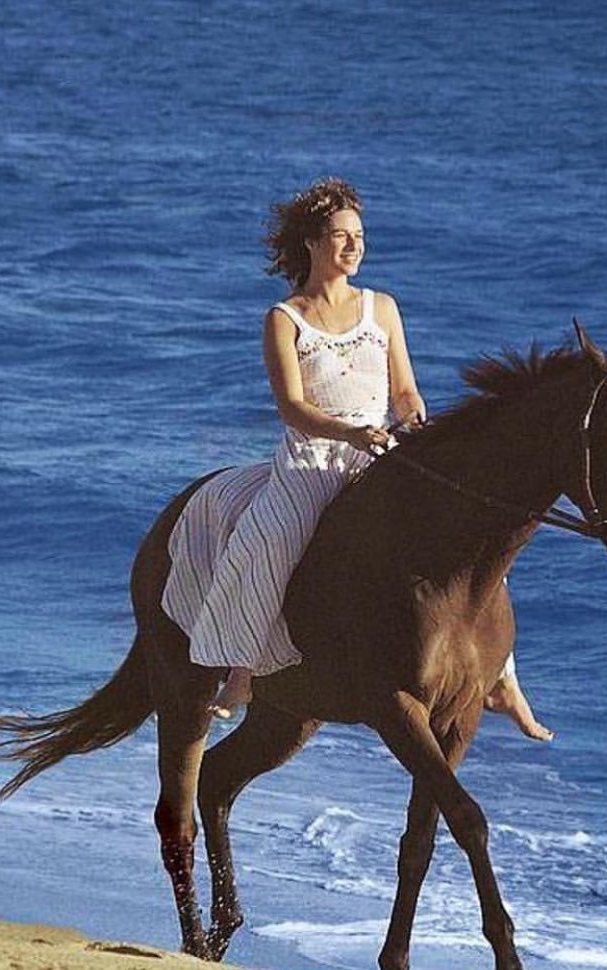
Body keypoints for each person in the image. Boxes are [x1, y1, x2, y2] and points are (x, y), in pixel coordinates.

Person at [160, 177, 551, 740]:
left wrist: (413, 420)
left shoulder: (382, 308)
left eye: (359, 236)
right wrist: (349, 432)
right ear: (312, 245)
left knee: (471, 543)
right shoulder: (284, 318)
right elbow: (293, 408)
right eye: (341, 236)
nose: (354, 246)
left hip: (383, 452)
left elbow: (406, 391)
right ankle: (244, 669)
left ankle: (502, 676)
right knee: (270, 540)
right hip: (313, 461)